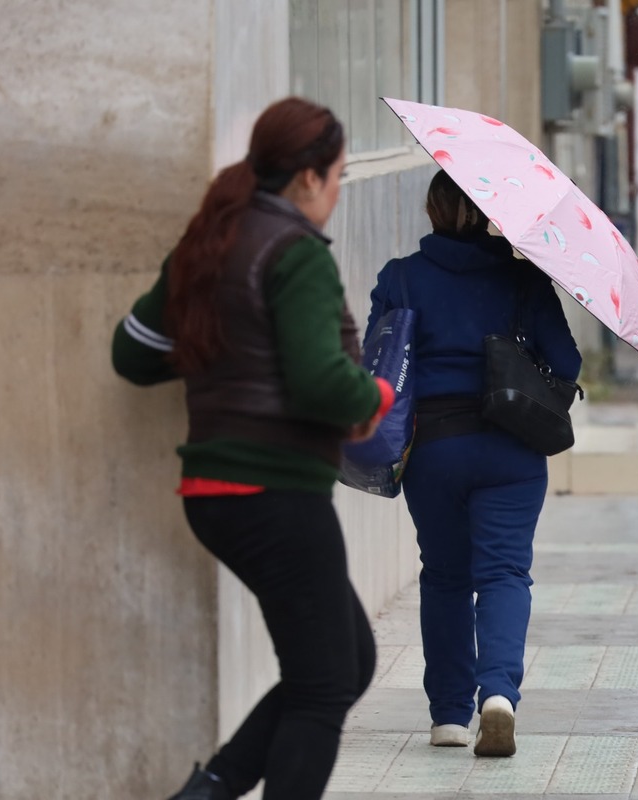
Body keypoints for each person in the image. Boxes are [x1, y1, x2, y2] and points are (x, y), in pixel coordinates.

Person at [111, 97, 389, 800]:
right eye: (338, 178)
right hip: (275, 493)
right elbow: (322, 381)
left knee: (346, 660)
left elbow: (134, 354)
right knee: (325, 684)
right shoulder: (296, 254)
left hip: (216, 494)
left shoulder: (209, 243)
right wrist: (375, 400)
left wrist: (228, 350)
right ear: (305, 179)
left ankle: (210, 789)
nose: (335, 193)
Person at [365, 170, 581, 758]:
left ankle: (449, 717)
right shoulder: (521, 278)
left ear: (432, 208)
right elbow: (567, 360)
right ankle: (500, 695)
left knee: (445, 577)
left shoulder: (401, 277)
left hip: (433, 450)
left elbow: (377, 363)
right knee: (505, 573)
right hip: (511, 448)